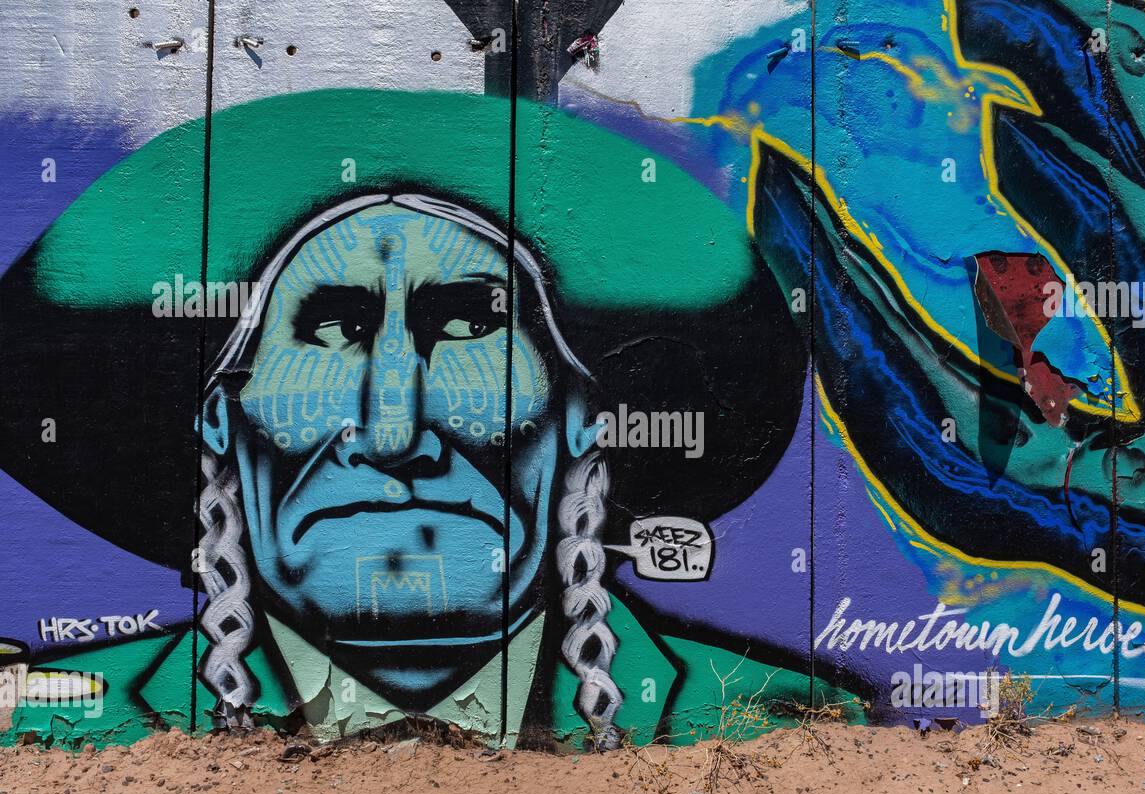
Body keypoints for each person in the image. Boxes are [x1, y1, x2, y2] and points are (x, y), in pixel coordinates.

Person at [0, 89, 851, 749]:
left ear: (580, 421)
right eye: (332, 329)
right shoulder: (65, 722)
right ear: (221, 422)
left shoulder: (779, 722)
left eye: (469, 325)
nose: (394, 432)